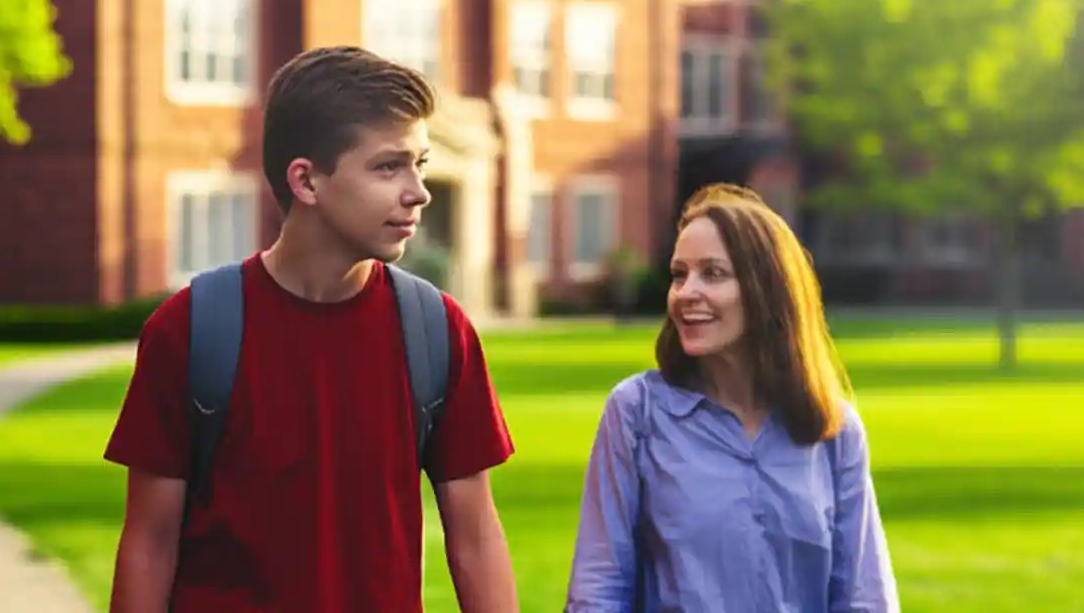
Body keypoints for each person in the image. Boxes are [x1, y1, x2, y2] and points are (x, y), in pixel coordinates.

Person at [104, 46, 518, 612]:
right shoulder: (190, 330)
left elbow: (475, 539)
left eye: (419, 164)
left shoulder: (438, 331)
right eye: (388, 166)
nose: (417, 192)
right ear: (307, 181)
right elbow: (149, 544)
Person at [564, 183, 900, 612]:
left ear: (767, 291)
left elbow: (863, 596)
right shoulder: (636, 414)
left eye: (713, 273)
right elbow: (598, 587)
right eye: (679, 274)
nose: (686, 293)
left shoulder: (833, 430)